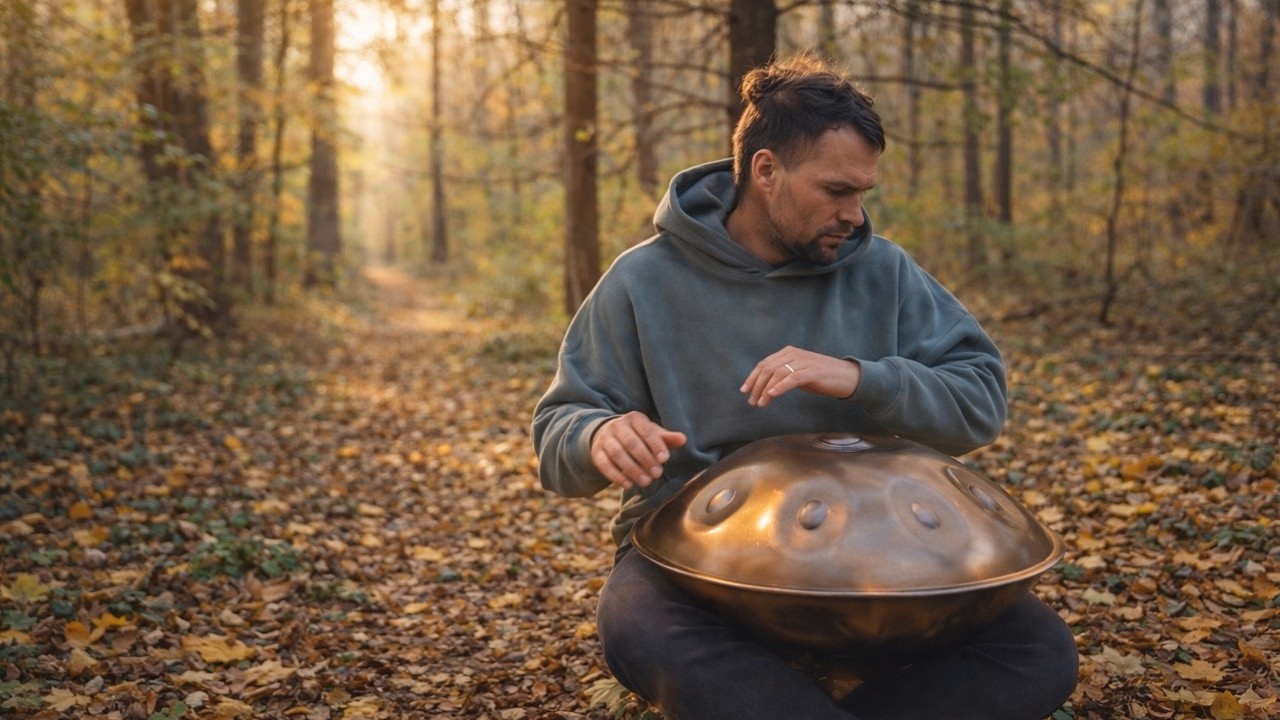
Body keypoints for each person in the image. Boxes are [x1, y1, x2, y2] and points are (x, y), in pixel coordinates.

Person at [531, 54, 1078, 720]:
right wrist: (597, 433)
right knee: (635, 626)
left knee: (1038, 651)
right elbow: (561, 431)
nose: (855, 213)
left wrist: (860, 378)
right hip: (698, 565)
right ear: (766, 171)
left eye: (863, 193)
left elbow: (982, 402)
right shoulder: (643, 282)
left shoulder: (884, 272)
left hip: (877, 565)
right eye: (836, 190)